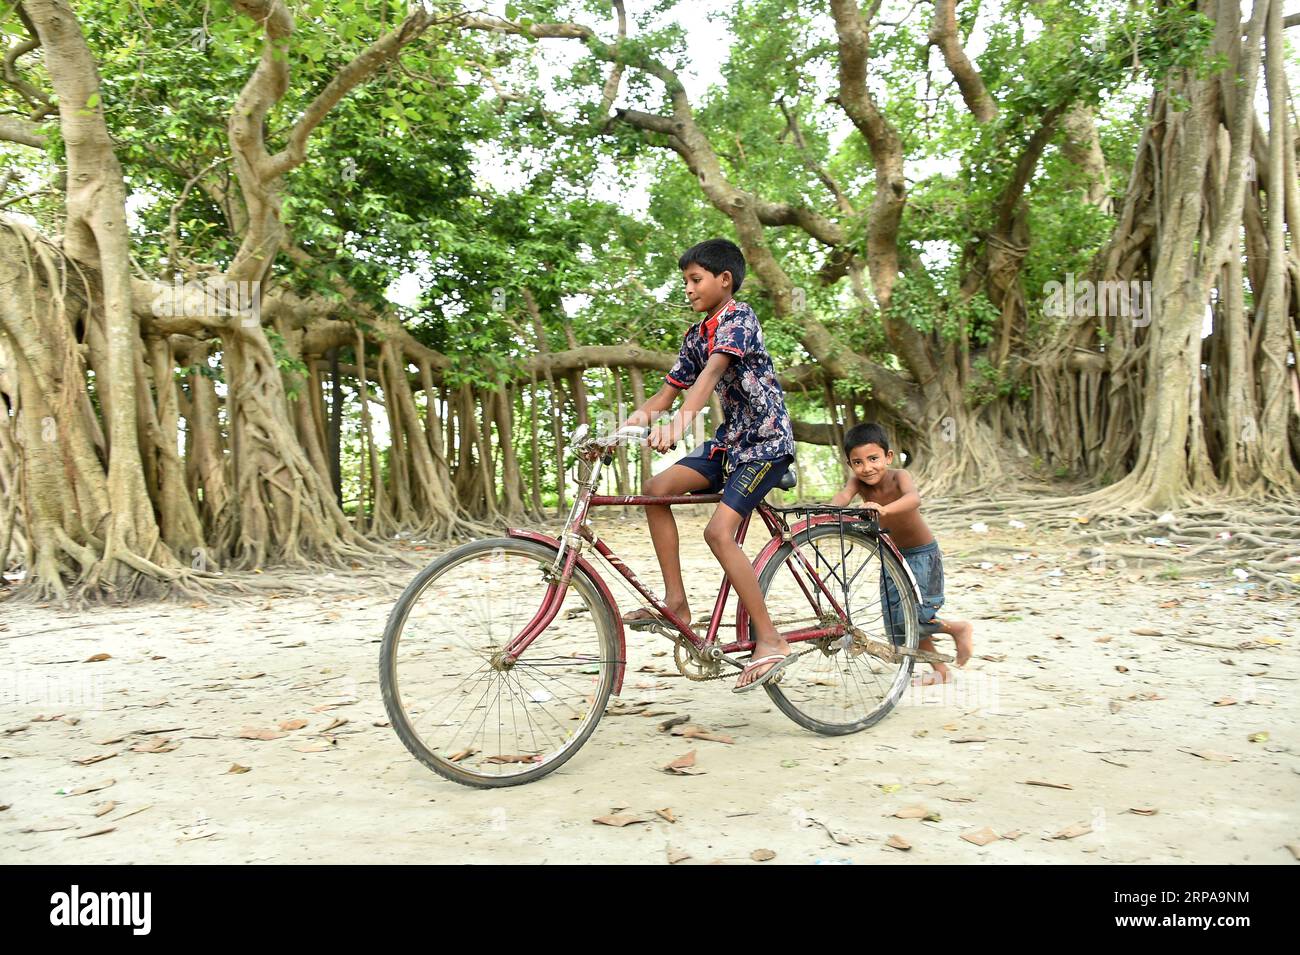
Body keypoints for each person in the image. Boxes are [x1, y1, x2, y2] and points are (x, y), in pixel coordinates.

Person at [621, 238, 797, 692]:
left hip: (764, 445)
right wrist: (616, 435)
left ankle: (771, 639)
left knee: (718, 532)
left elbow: (712, 374)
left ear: (725, 279)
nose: (688, 288)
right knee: (655, 490)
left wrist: (681, 423)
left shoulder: (739, 319)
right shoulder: (696, 335)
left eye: (695, 279)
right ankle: (676, 603)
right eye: (684, 282)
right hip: (729, 445)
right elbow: (665, 394)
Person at [829, 422, 973, 684]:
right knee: (898, 620)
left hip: (922, 555)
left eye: (873, 459)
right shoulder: (857, 482)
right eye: (858, 462)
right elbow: (843, 495)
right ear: (851, 465)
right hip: (893, 558)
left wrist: (884, 509)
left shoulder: (899, 477)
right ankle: (940, 671)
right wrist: (830, 510)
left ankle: (957, 629)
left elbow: (913, 499)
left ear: (888, 456)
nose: (867, 468)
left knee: (917, 615)